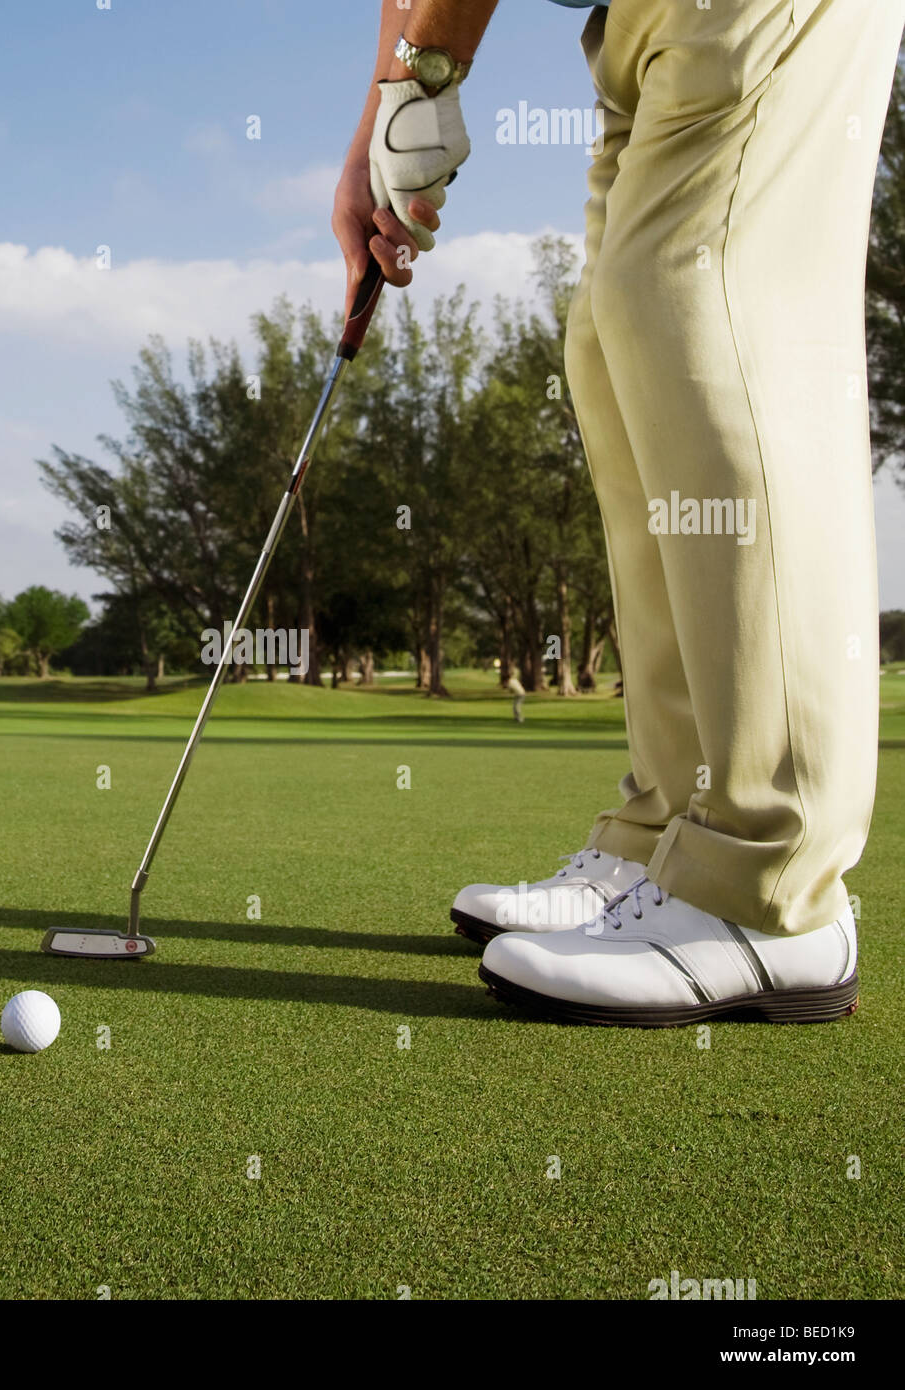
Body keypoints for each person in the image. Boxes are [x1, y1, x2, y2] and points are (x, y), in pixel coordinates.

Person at [335, 0, 904, 1025]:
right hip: (630, 18)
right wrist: (382, 119)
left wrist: (425, 78)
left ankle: (769, 885)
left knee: (696, 293)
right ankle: (665, 836)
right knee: (611, 344)